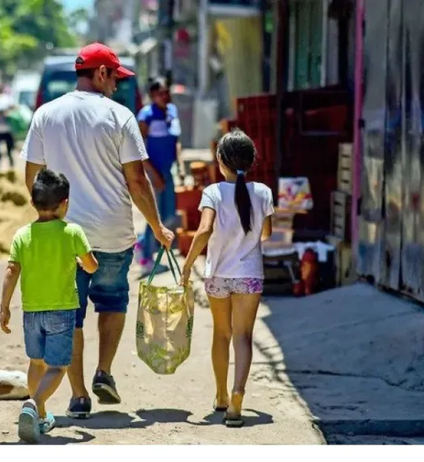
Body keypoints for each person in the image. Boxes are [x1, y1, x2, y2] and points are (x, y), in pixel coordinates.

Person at [20, 42, 175, 419]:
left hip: (66, 235)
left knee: (71, 315)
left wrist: (52, 221)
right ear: (101, 74)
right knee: (112, 302)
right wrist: (157, 226)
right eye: (115, 78)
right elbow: (137, 181)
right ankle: (104, 371)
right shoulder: (120, 117)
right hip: (112, 232)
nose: (117, 86)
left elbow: (32, 177)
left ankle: (78, 394)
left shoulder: (45, 114)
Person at [180, 129, 274, 428]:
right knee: (243, 337)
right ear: (251, 160)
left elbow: (205, 230)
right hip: (249, 277)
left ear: (220, 160)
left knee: (221, 334)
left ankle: (220, 395)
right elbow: (267, 233)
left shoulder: (213, 192)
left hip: (218, 275)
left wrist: (187, 265)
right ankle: (238, 394)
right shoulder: (262, 192)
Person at [0, 169, 98, 443]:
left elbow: (11, 271)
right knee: (58, 366)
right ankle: (33, 404)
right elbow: (91, 265)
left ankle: (40, 416)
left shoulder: (22, 235)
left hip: (31, 311)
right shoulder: (72, 232)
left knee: (36, 362)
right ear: (65, 203)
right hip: (62, 311)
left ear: (32, 203)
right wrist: (82, 263)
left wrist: (4, 306)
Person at [136, 77, 186, 275]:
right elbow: (139, 149)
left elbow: (176, 142)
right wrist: (153, 174)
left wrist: (180, 167)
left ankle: (142, 244)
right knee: (153, 215)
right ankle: (147, 258)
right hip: (152, 171)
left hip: (168, 169)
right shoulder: (146, 116)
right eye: (161, 93)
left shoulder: (172, 112)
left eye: (167, 92)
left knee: (169, 214)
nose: (166, 96)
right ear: (153, 95)